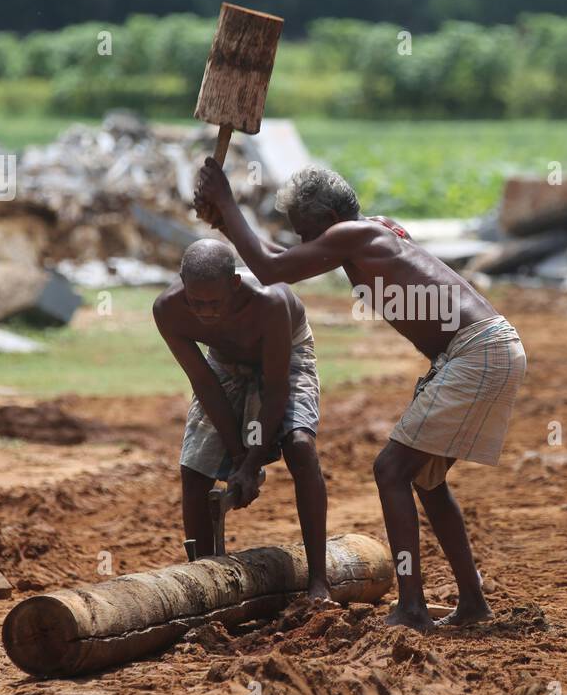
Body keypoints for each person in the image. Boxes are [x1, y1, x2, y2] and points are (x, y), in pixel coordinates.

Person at [196, 160, 526, 630]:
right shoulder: (374, 231)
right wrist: (228, 223)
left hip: (475, 352)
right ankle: (472, 603)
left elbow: (271, 269)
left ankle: (411, 608)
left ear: (330, 220)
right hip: (484, 349)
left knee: (390, 470)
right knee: (426, 482)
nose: (307, 246)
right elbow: (276, 258)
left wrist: (227, 201)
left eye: (308, 234)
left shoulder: (353, 236)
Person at [152, 238, 330, 599]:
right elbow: (204, 381)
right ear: (181, 283)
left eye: (214, 302)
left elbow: (277, 386)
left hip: (285, 354)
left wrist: (253, 462)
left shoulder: (270, 302)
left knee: (299, 446)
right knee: (194, 470)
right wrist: (237, 456)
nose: (205, 312)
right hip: (225, 361)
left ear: (235, 284)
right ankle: (201, 585)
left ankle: (319, 579)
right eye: (195, 301)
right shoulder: (168, 310)